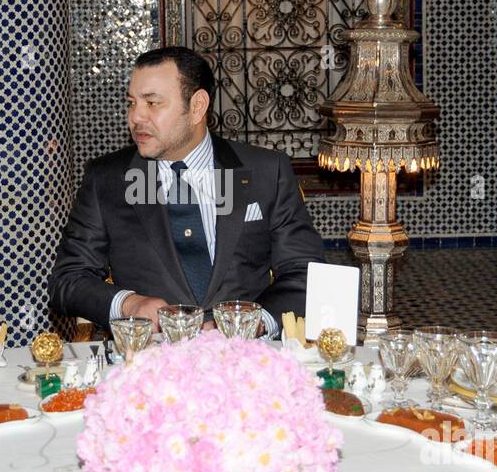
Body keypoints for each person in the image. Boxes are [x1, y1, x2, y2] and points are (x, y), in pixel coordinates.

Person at [49, 46, 325, 336]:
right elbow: (67, 280)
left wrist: (255, 323)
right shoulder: (108, 179)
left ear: (197, 106)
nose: (135, 118)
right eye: (131, 103)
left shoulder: (266, 172)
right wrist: (129, 304)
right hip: (151, 363)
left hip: (247, 361)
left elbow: (305, 273)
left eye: (152, 103)